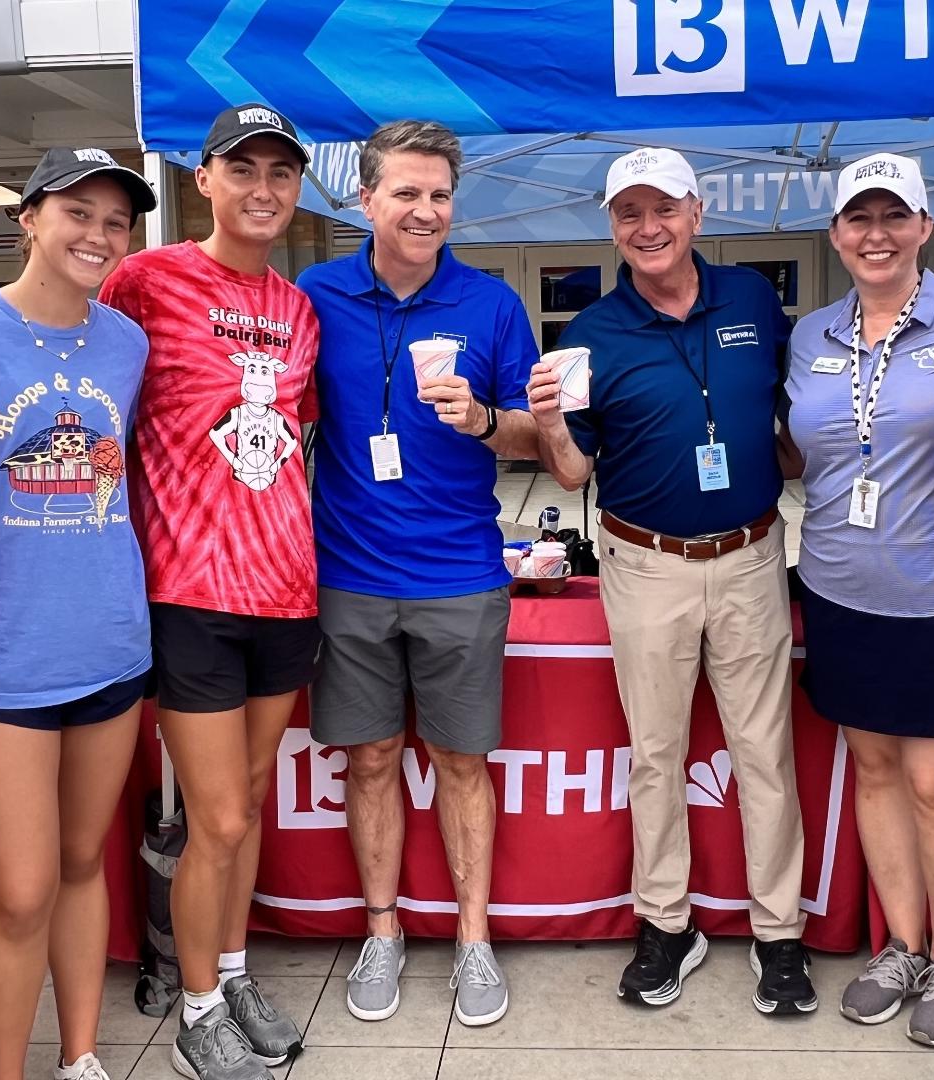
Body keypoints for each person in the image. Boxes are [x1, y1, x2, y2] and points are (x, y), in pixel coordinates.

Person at [527, 147, 811, 1016]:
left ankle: (780, 935)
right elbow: (573, 474)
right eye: (628, 214)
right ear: (612, 225)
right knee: (654, 755)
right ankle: (666, 923)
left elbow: (790, 420)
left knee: (765, 752)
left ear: (696, 215)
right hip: (644, 562)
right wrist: (546, 422)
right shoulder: (592, 332)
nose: (647, 229)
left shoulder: (755, 301)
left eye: (663, 210)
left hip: (754, 556)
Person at [0, 147, 157, 1080]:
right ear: (29, 218)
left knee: (86, 862)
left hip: (110, 641)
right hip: (1, 656)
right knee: (18, 894)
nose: (98, 236)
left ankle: (82, 1057)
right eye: (78, 214)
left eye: (116, 222)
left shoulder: (127, 342)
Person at [298, 119, 539, 1030]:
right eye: (406, 192)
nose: (425, 209)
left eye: (439, 194)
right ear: (365, 200)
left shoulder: (490, 303)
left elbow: (528, 435)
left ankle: (474, 940)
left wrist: (481, 416)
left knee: (463, 764)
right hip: (348, 574)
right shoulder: (314, 295)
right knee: (368, 762)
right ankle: (383, 930)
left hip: (462, 574)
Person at [98, 105, 320, 1080]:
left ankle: (231, 975)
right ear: (207, 180)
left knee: (253, 801)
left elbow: (292, 442)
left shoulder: (300, 308)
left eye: (281, 172)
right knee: (217, 817)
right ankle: (194, 1010)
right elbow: (96, 409)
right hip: (188, 588)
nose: (263, 188)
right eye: (245, 170)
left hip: (287, 586)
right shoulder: (147, 280)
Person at [779, 153, 934, 1046]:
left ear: (924, 227)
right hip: (836, 584)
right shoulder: (813, 333)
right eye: (857, 219)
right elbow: (802, 449)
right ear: (835, 234)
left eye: (892, 217)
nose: (875, 235)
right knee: (871, 769)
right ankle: (901, 944)